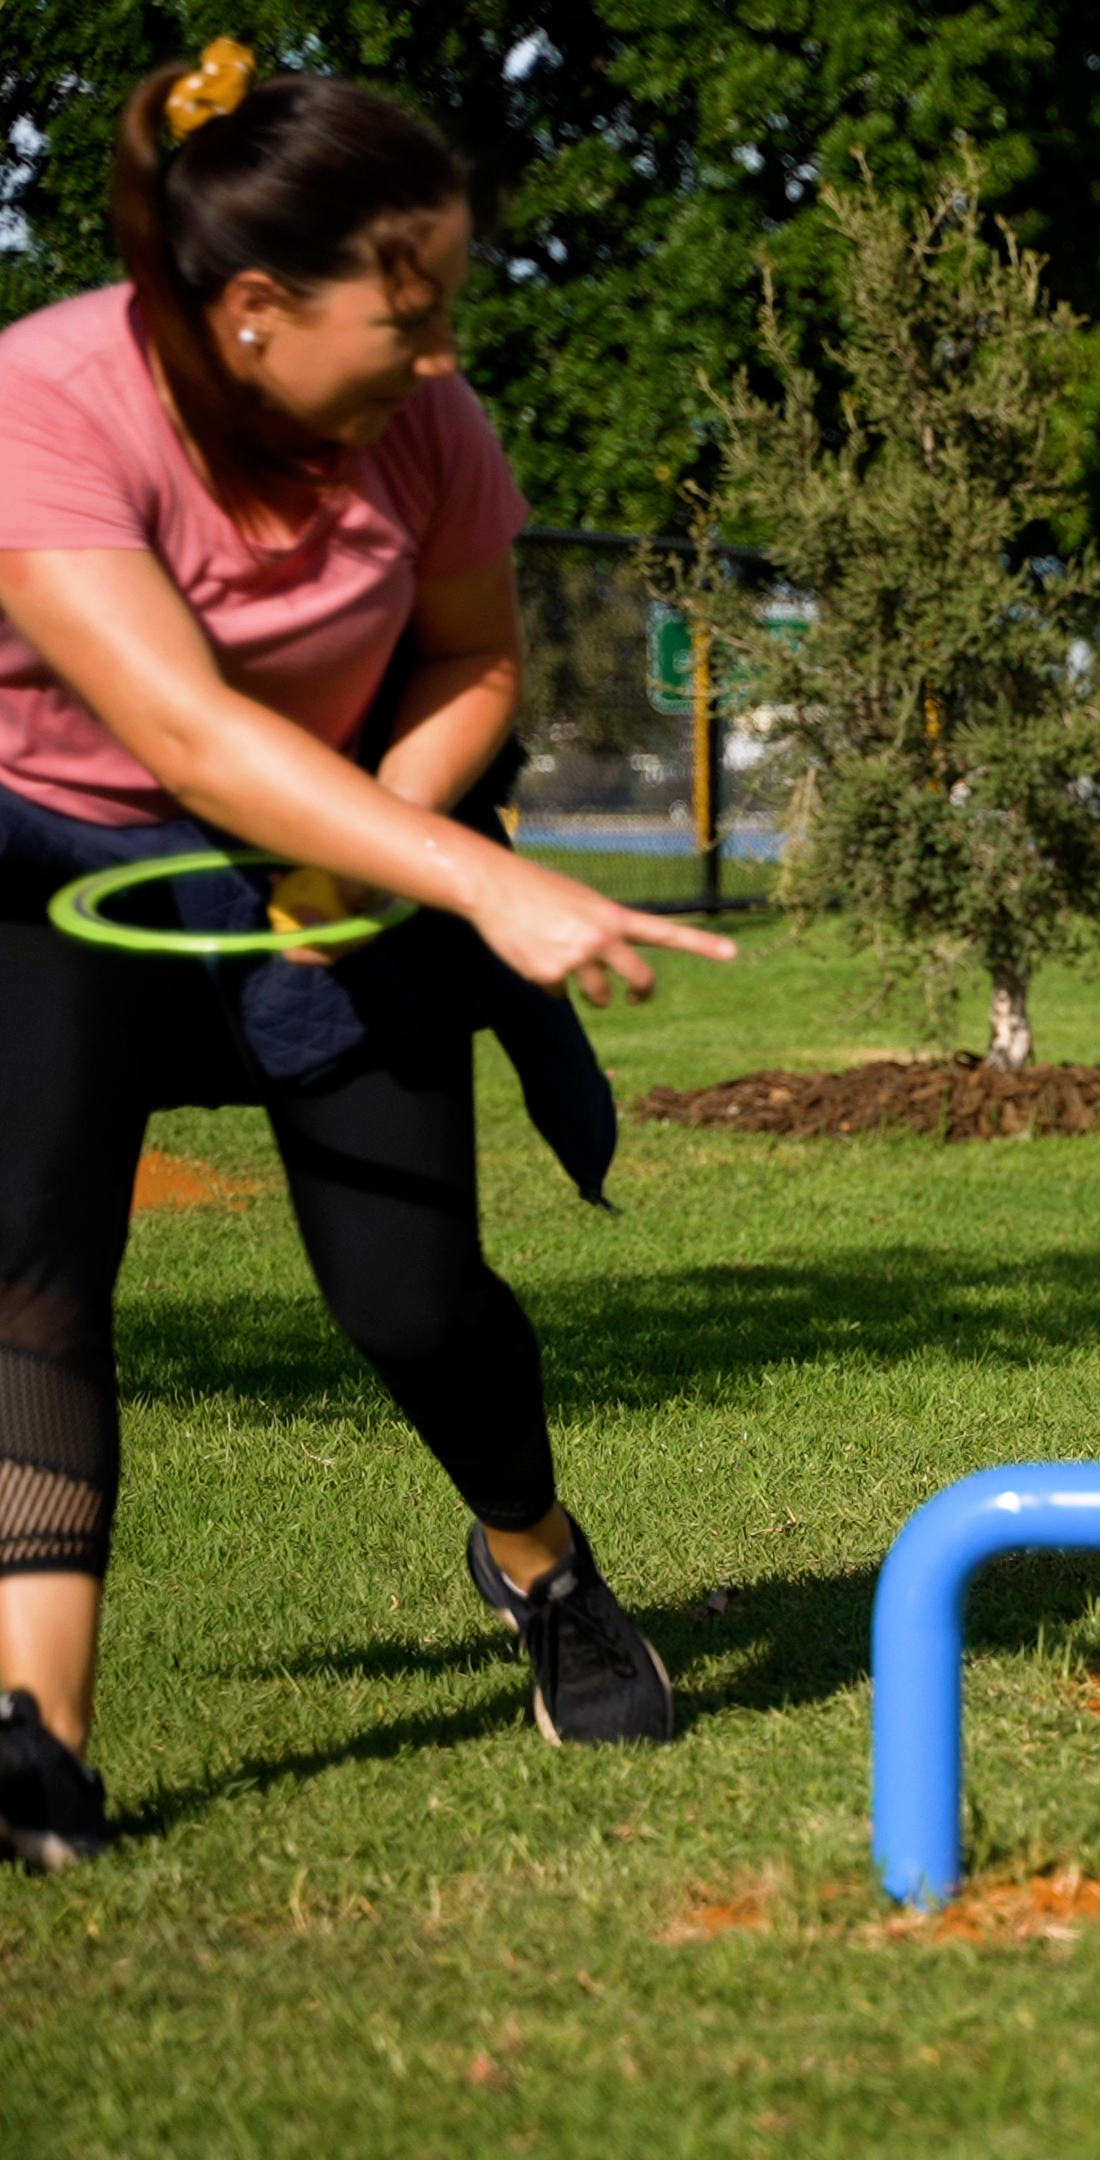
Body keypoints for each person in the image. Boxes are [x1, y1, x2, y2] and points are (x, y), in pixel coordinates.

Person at [0, 44, 734, 1865]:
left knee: (412, 1297)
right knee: (31, 1273)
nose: (441, 353)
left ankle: (539, 1566)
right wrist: (484, 883)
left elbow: (475, 657)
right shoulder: (46, 403)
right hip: (55, 855)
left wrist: (379, 845)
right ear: (255, 306)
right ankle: (37, 1745)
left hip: (342, 844)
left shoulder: (427, 420)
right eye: (411, 316)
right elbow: (181, 734)